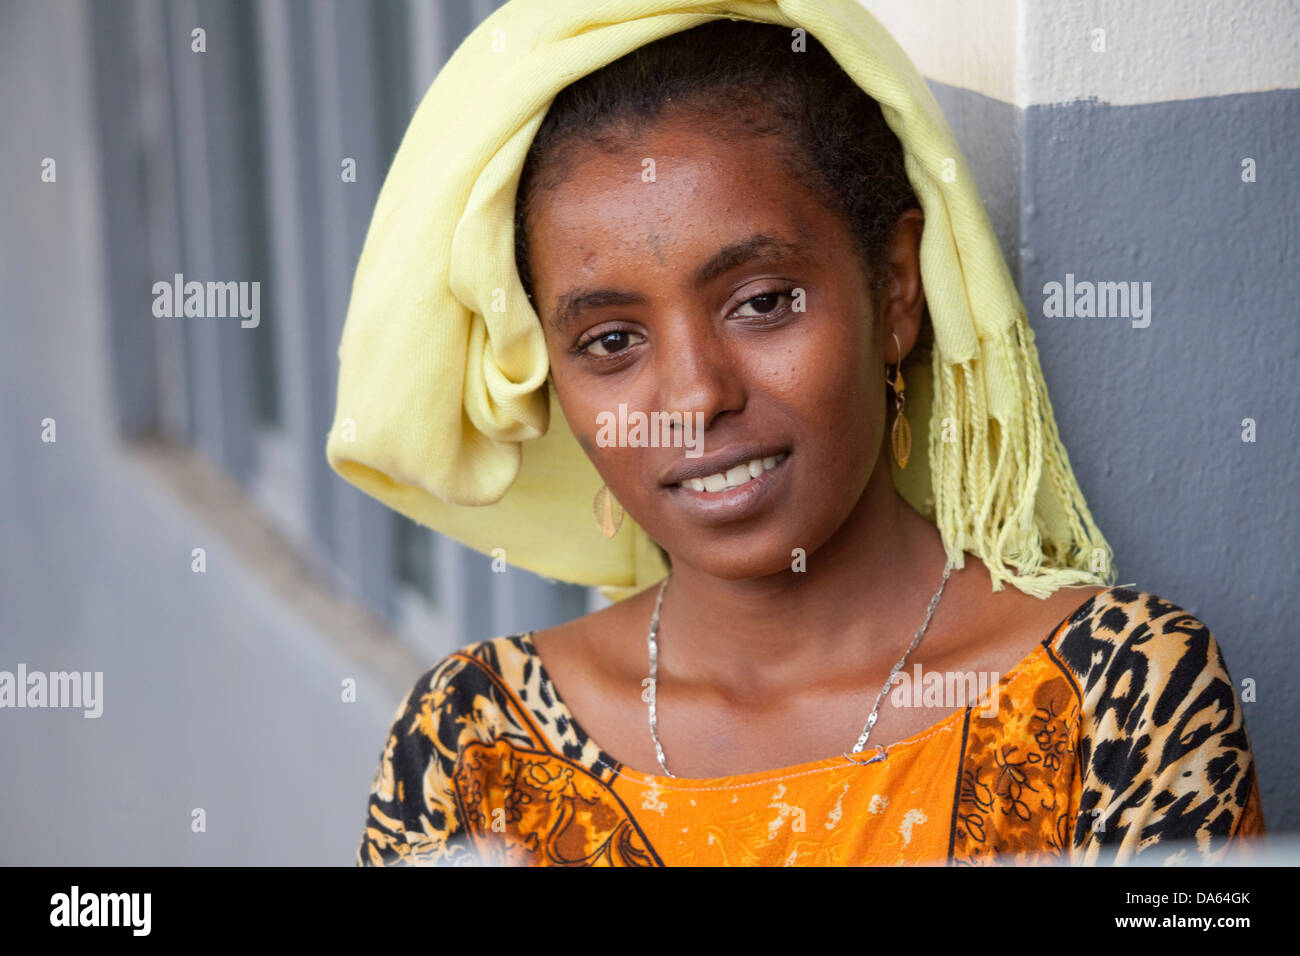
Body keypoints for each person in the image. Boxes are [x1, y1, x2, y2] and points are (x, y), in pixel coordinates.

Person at [331, 3, 1265, 866]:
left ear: (896, 290)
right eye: (611, 341)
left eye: (763, 303)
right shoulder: (477, 743)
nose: (693, 397)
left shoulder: (1118, 701)